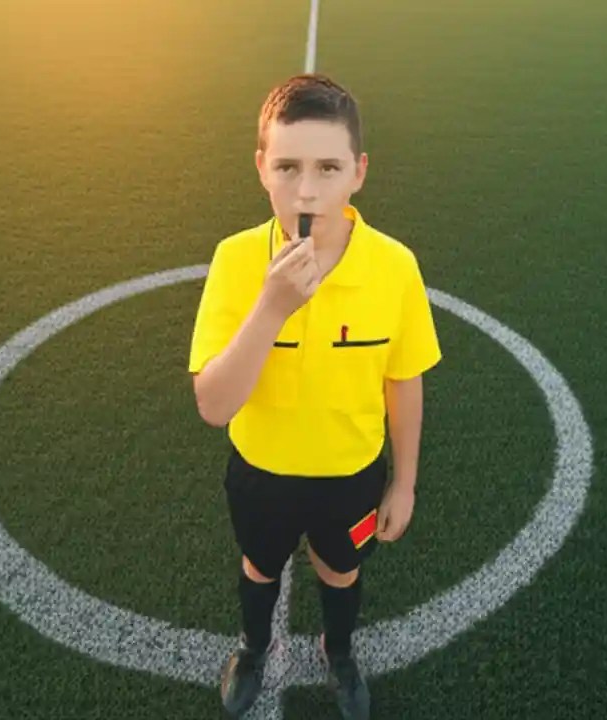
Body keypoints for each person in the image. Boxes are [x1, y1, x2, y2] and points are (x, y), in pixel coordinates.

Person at [187, 73, 442, 719]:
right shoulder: (236, 260)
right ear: (260, 170)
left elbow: (403, 379)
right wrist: (272, 306)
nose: (307, 189)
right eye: (288, 167)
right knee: (260, 567)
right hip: (261, 473)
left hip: (350, 475)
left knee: (341, 571)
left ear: (359, 172)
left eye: (328, 167)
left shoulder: (395, 266)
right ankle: (252, 647)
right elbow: (214, 406)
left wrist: (404, 483)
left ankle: (340, 650)